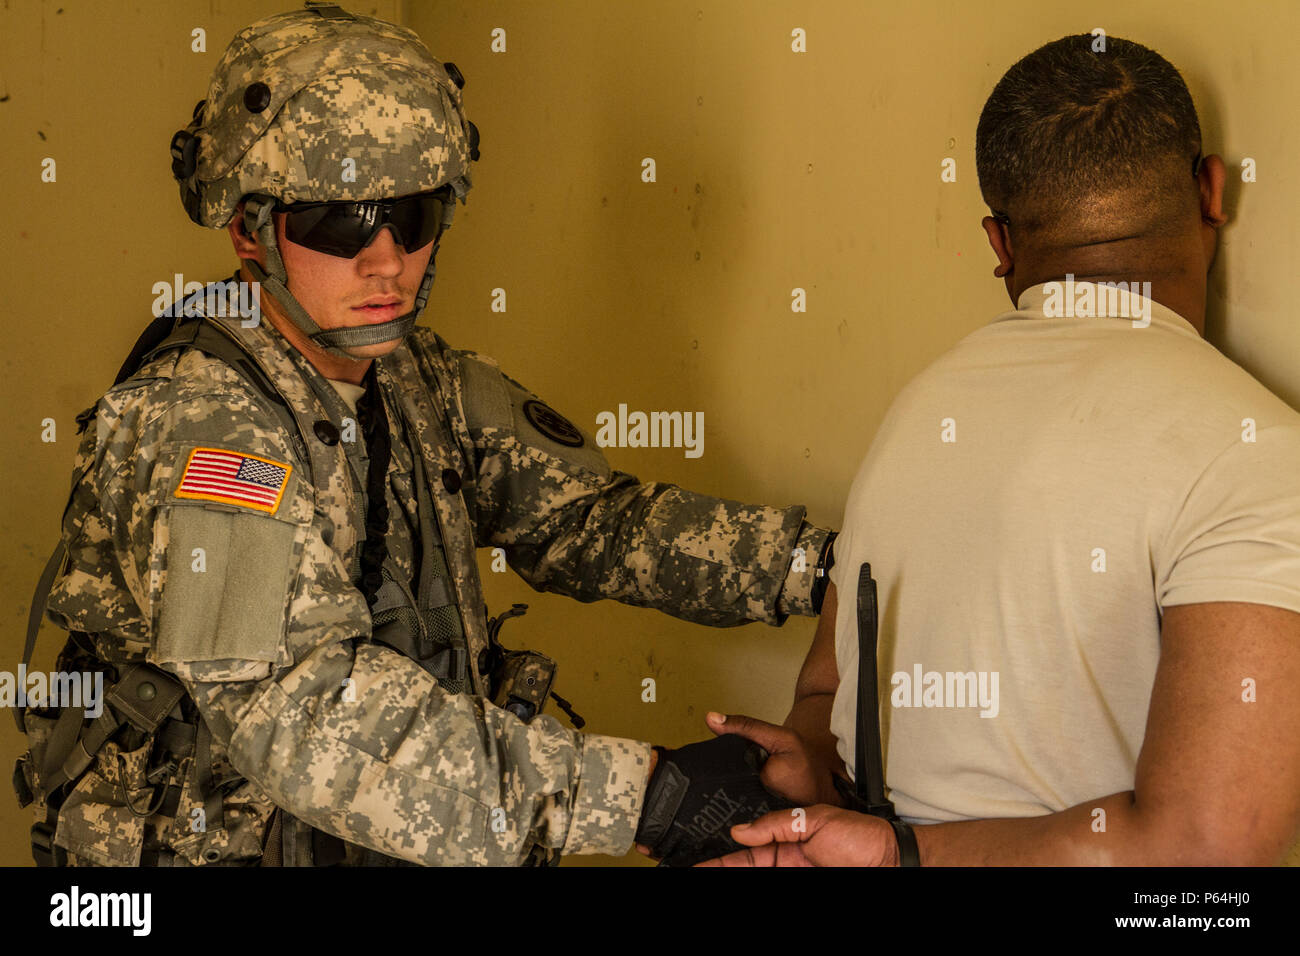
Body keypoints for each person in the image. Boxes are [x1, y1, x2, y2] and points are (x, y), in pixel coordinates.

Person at [13, 3, 833, 867]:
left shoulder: (417, 379)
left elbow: (593, 525)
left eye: (412, 213)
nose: (386, 259)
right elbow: (302, 712)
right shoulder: (199, 429)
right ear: (247, 231)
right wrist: (649, 798)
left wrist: (825, 568)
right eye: (339, 220)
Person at [699, 33, 1300, 866]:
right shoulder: (1257, 449)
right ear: (1211, 190)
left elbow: (825, 691)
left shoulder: (917, 415)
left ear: (1000, 244)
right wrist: (901, 857)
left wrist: (824, 778)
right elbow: (1206, 860)